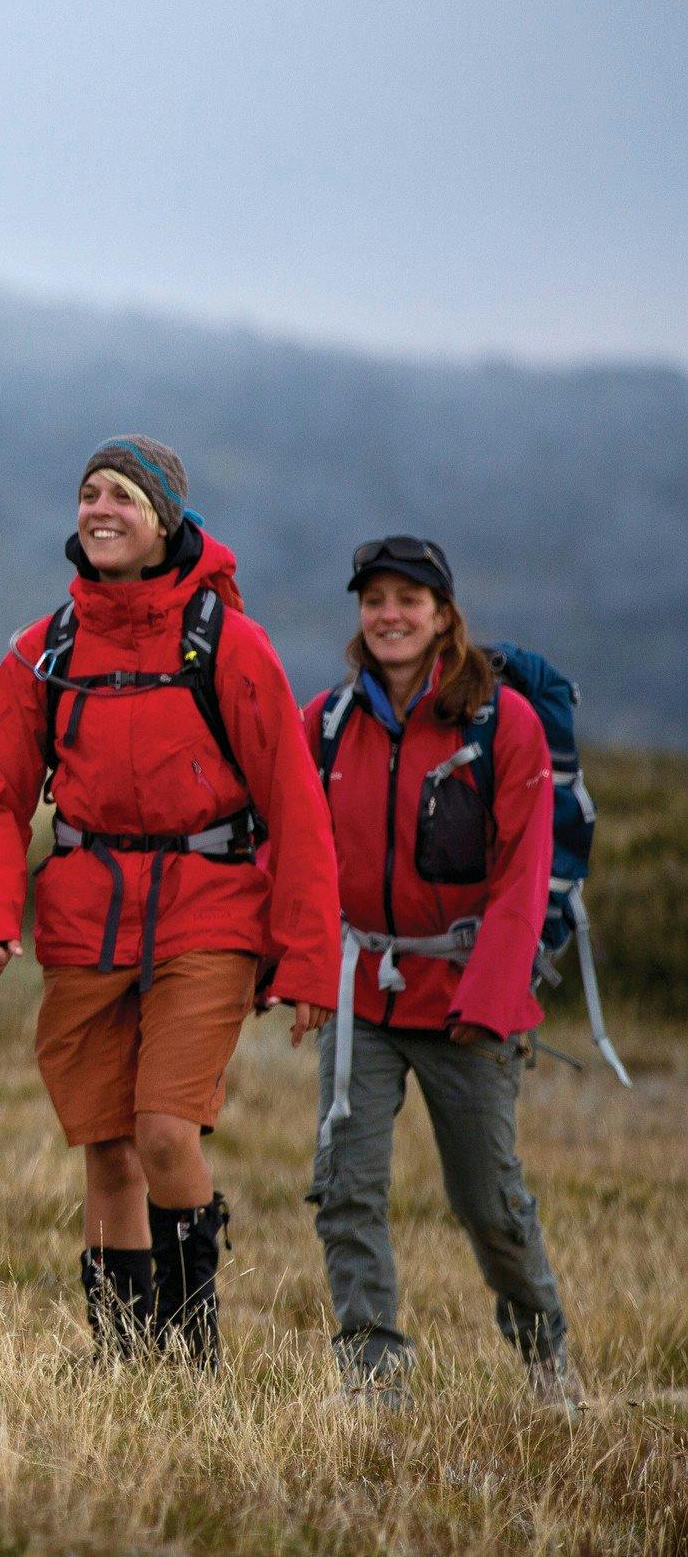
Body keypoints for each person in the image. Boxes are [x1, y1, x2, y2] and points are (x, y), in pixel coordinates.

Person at [0, 436, 339, 1370]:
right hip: (87, 919)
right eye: (88, 493)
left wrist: (307, 961)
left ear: (162, 520)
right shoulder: (40, 651)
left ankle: (191, 1351)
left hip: (208, 912)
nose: (99, 509)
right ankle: (125, 1357)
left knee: (164, 1132)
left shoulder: (229, 647)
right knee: (106, 1145)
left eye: (122, 496)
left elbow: (294, 806)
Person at [305, 535, 583, 1410]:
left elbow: (523, 873)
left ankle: (545, 1357)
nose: (388, 614)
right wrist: (306, 974)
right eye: (373, 598)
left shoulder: (505, 723)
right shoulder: (326, 721)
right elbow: (303, 858)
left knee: (488, 1203)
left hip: (467, 999)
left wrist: (490, 999)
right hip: (361, 996)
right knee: (344, 1189)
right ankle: (372, 1379)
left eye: (408, 599)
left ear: (442, 615)